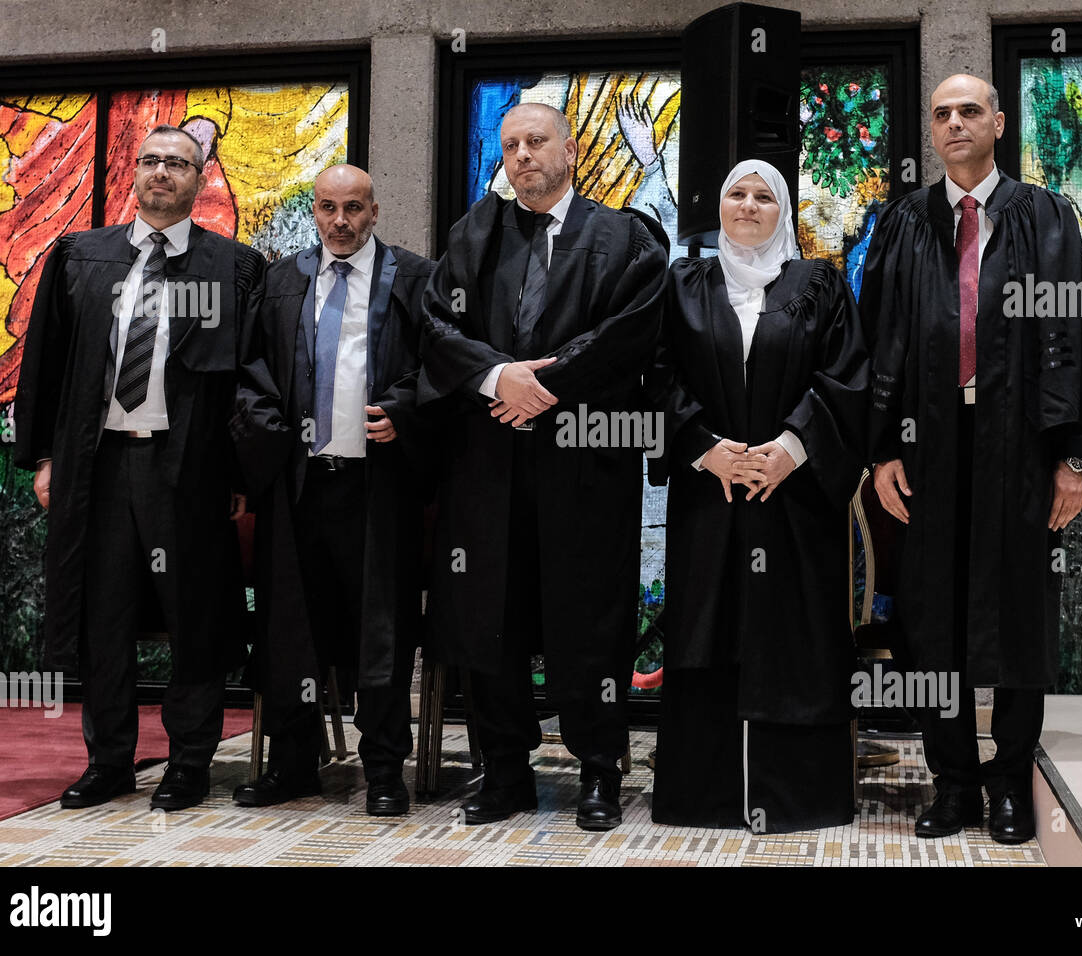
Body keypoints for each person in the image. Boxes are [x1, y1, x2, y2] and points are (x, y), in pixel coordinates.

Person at [859, 75, 1082, 844]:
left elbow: (1070, 333)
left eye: (970, 111)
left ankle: (1008, 780)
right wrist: (879, 451)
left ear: (998, 122)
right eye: (942, 113)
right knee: (933, 613)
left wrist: (1072, 457)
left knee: (1021, 610)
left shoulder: (1044, 217)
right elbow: (879, 340)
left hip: (1019, 441)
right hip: (927, 441)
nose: (955, 122)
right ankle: (953, 779)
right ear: (931, 131)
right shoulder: (905, 223)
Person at [417, 102, 668, 831]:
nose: (523, 155)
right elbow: (435, 324)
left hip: (587, 461)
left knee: (590, 615)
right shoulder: (476, 233)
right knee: (491, 612)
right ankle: (504, 770)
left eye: (537, 141)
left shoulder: (624, 237)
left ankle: (597, 768)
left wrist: (547, 385)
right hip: (489, 463)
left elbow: (633, 329)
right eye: (512, 145)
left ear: (572, 148)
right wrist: (500, 379)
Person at [13, 124, 265, 811]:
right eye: (151, 160)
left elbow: (250, 381)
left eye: (177, 163)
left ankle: (188, 762)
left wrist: (242, 475)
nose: (162, 172)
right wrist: (44, 457)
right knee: (104, 613)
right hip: (99, 464)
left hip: (189, 467)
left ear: (200, 178)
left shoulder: (234, 268)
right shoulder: (78, 256)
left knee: (196, 612)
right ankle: (110, 761)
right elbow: (46, 366)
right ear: (133, 170)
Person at [645, 160, 870, 834]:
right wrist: (705, 448)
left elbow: (849, 377)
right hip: (709, 499)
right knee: (707, 632)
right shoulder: (683, 284)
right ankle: (703, 797)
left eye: (763, 196)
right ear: (718, 209)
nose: (748, 205)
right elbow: (654, 374)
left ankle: (801, 797)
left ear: (784, 212)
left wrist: (791, 450)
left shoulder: (819, 285)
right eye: (735, 193)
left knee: (794, 636)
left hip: (795, 504)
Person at [229, 165, 435, 816]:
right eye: (327, 208)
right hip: (299, 488)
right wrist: (271, 434)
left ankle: (382, 772)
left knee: (383, 633)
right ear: (314, 213)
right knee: (292, 629)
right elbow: (249, 375)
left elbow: (445, 366)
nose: (340, 221)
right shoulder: (283, 281)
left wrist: (405, 409)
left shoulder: (416, 279)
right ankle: (293, 766)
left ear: (375, 212)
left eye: (353, 208)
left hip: (379, 490)